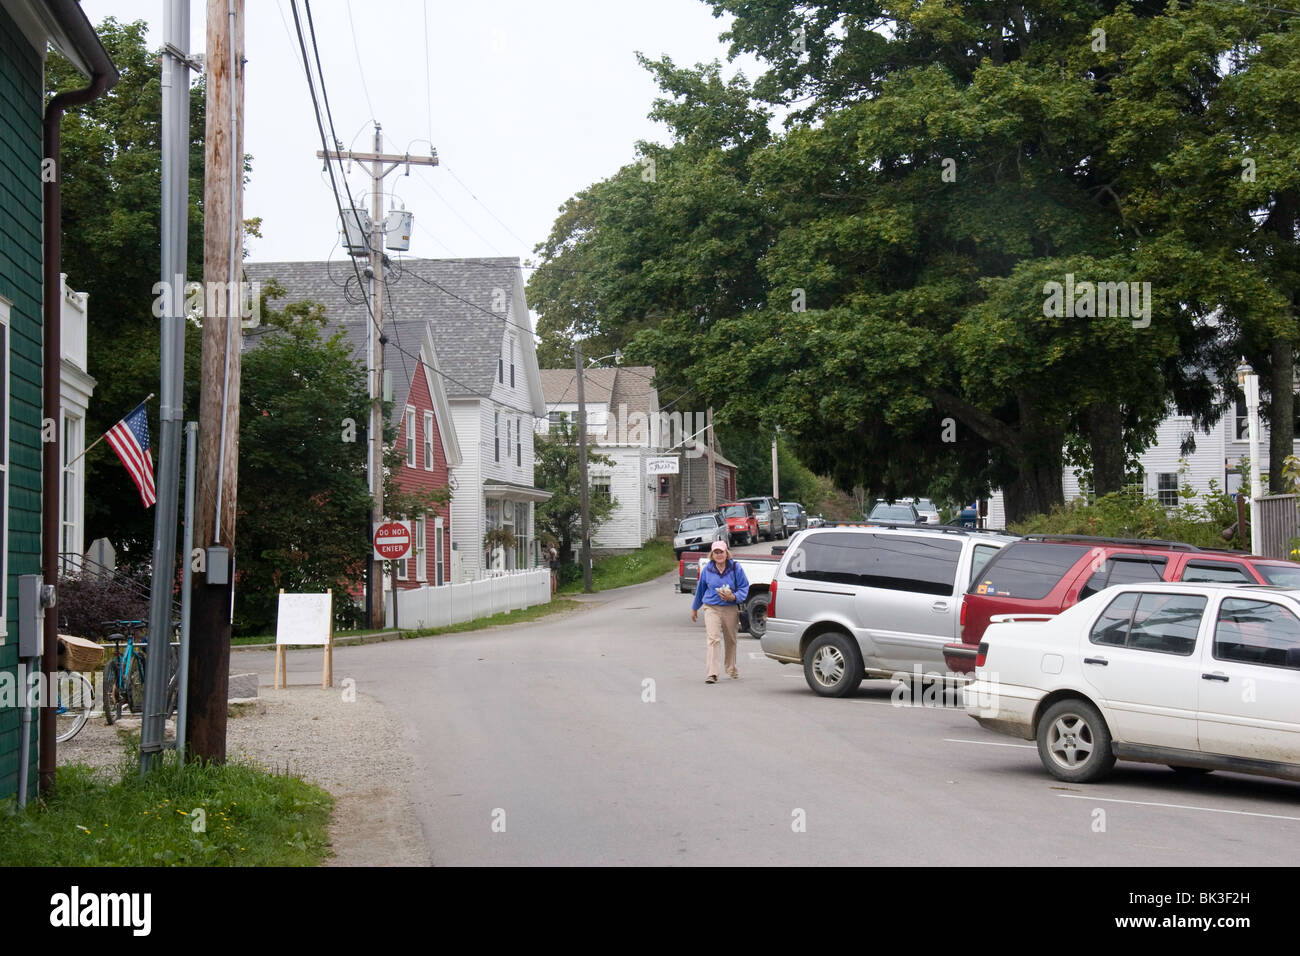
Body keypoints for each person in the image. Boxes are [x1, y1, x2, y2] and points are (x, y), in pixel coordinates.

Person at [690, 540, 749, 683]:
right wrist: (694, 608)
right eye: (715, 552)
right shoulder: (707, 570)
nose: (719, 555)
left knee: (731, 639)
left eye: (721, 552)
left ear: (726, 553)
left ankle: (731, 668)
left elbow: (744, 587)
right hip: (711, 607)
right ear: (712, 555)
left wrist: (734, 596)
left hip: (730, 608)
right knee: (713, 639)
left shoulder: (736, 568)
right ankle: (712, 673)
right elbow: (701, 590)